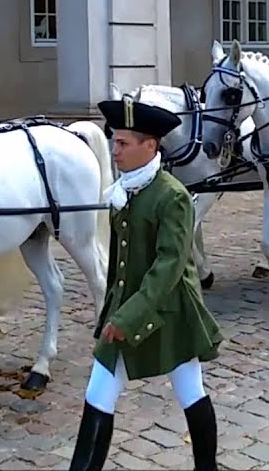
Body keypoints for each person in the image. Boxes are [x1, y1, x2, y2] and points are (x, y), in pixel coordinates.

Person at [69, 96, 223, 471]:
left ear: (149, 146)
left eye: (123, 143)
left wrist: (127, 317)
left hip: (170, 313)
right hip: (128, 312)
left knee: (191, 393)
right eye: (114, 142)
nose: (114, 151)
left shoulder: (172, 196)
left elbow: (169, 266)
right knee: (97, 394)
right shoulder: (125, 190)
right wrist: (115, 310)